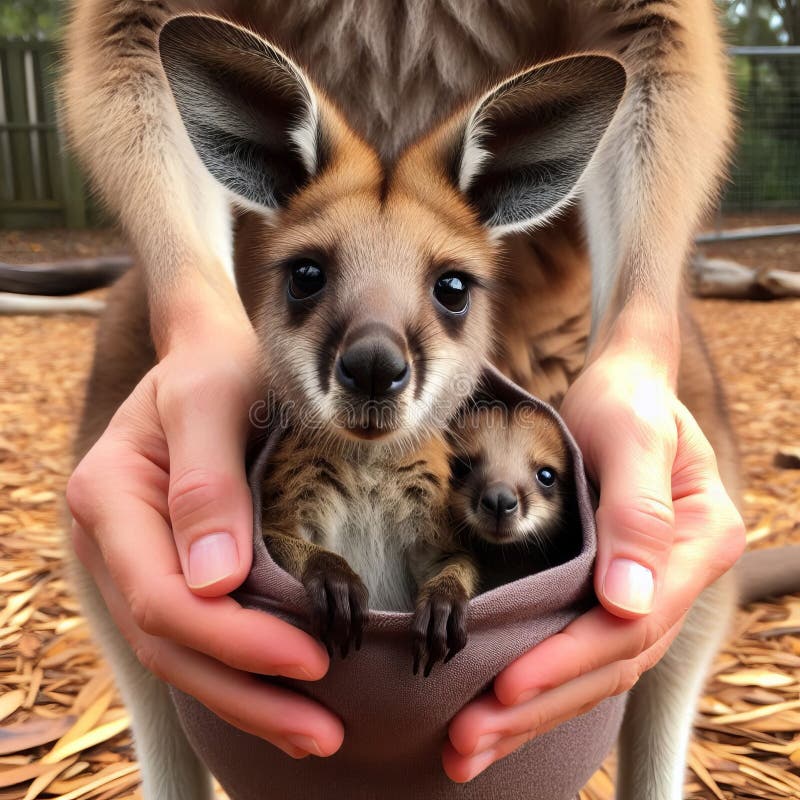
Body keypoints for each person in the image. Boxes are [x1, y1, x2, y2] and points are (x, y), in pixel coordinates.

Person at [65, 0, 746, 781]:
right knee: (137, 381)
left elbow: (657, 43)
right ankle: (175, 779)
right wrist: (191, 321)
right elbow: (131, 38)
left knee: (670, 411)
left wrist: (637, 346)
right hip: (274, 311)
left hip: (527, 305)